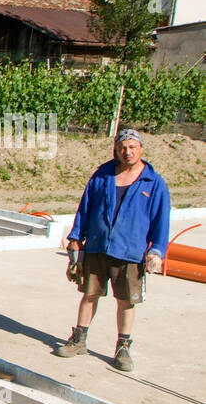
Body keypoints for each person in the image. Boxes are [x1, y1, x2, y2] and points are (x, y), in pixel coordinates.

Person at [54, 129, 170, 372]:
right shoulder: (102, 176)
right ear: (116, 150)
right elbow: (85, 208)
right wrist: (76, 237)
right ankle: (79, 339)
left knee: (126, 301)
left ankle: (123, 347)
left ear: (141, 149)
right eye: (122, 148)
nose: (127, 152)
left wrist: (156, 250)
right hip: (97, 246)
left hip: (129, 252)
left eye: (132, 147)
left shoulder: (154, 183)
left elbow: (161, 221)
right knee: (89, 294)